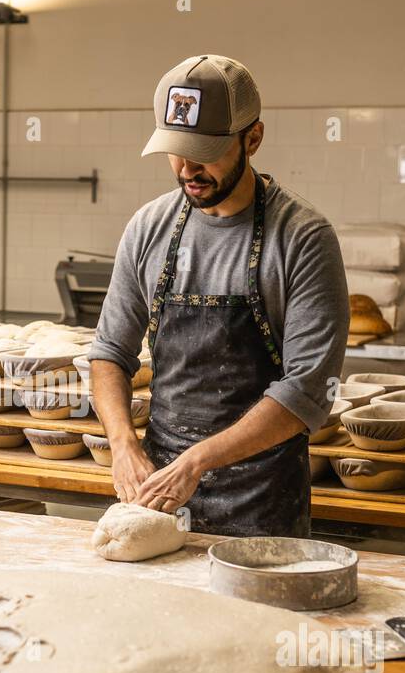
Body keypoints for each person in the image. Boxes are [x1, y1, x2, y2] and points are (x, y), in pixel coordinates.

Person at [89, 54, 348, 538]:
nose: (187, 168)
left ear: (253, 138)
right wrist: (124, 444)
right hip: (159, 491)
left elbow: (307, 391)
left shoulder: (302, 237)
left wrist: (198, 462)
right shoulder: (149, 227)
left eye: (204, 150)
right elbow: (109, 352)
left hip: (262, 500)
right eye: (175, 150)